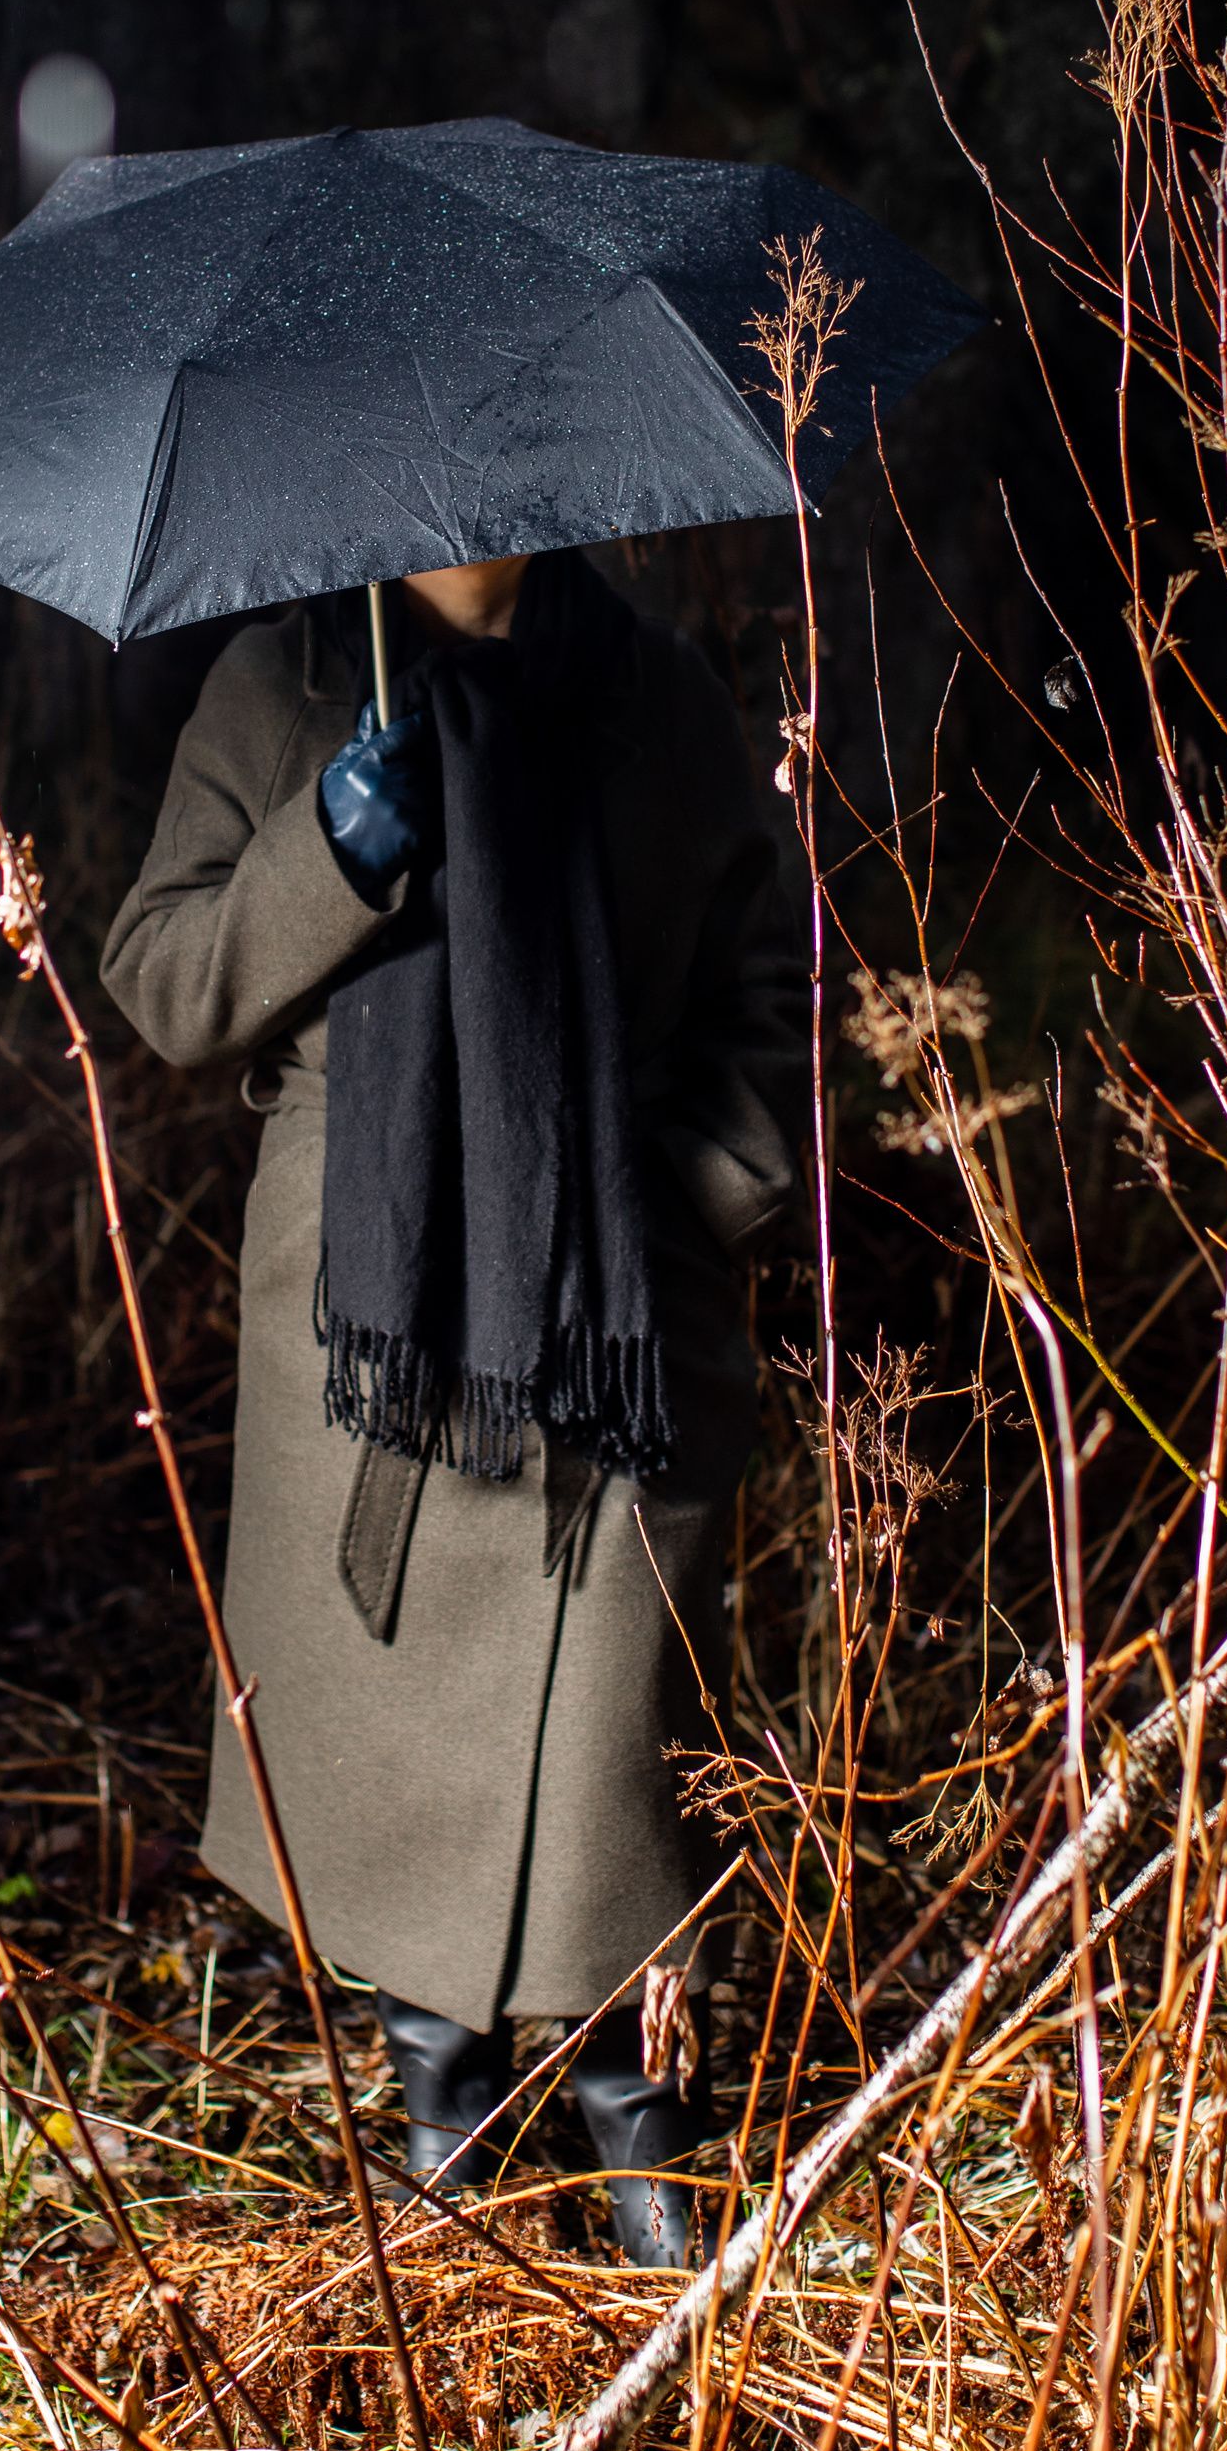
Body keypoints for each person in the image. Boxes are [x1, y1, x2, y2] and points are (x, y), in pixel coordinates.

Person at [99, 544, 798, 2261]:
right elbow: (163, 979)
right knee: (404, 1718)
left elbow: (769, 1006)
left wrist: (682, 1213)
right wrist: (324, 854)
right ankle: (446, 2116)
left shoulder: (661, 696)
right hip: (379, 1310)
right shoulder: (285, 686)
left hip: (616, 1312)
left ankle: (644, 2118)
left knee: (619, 1733)